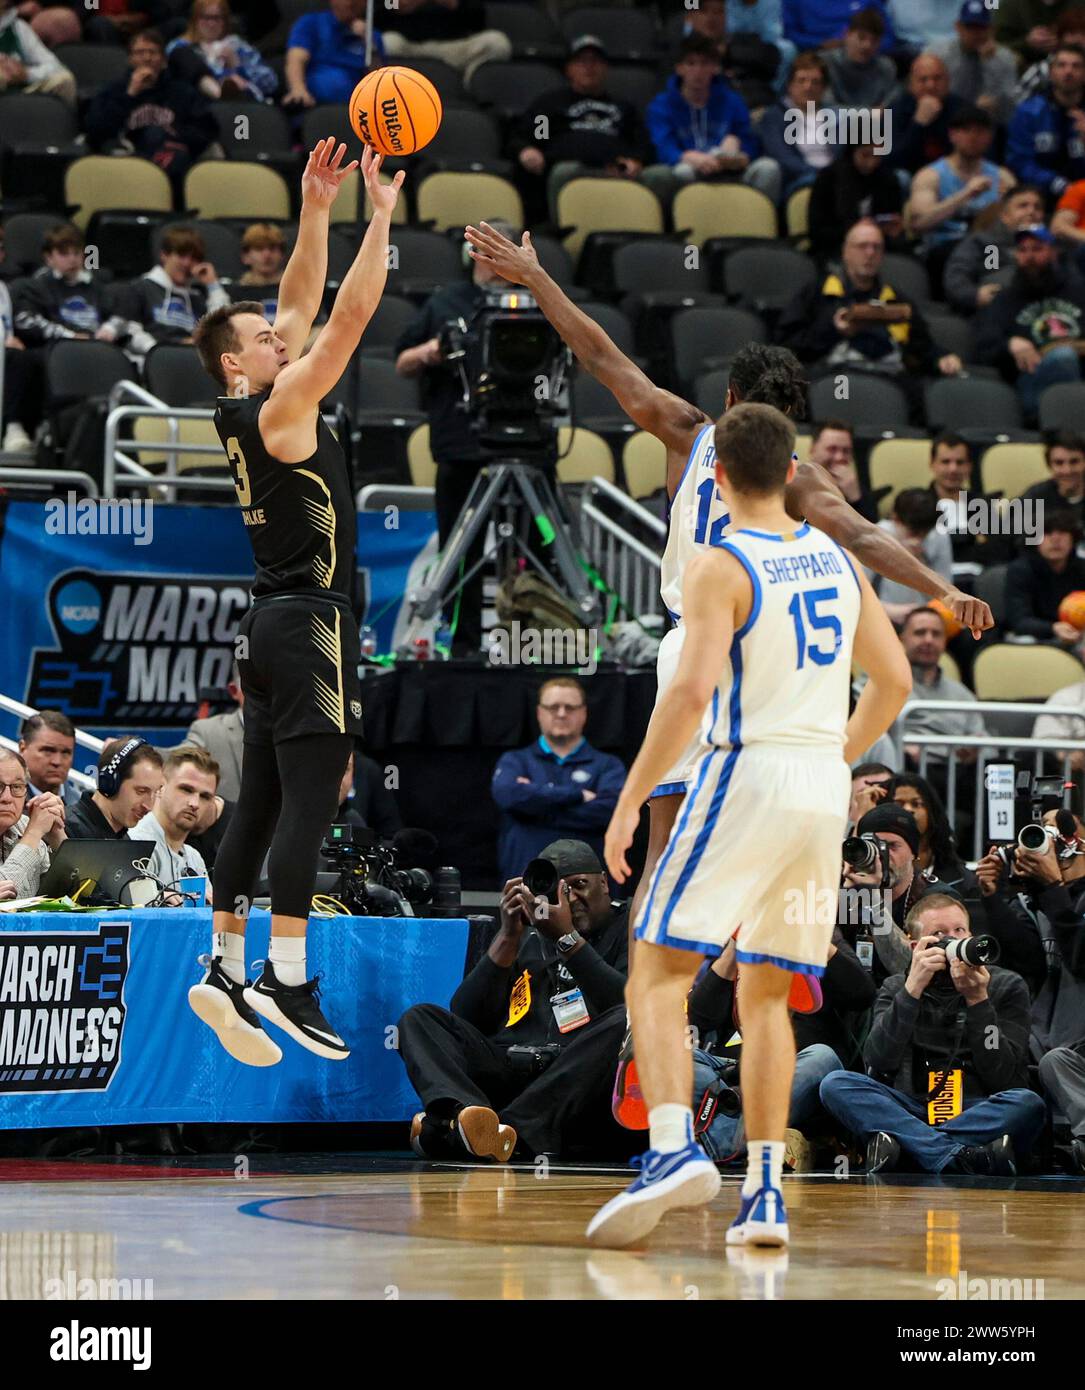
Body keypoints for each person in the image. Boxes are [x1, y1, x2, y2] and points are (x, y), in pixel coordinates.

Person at [463, 217, 991, 1005]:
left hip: (693, 649)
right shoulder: (800, 476)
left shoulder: (687, 428)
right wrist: (939, 589)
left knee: (665, 848)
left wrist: (535, 278)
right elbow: (861, 536)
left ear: (732, 398)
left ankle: (647, 1018)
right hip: (768, 666)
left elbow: (600, 355)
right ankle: (764, 973)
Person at [582, 401, 910, 1249]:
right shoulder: (837, 561)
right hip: (819, 788)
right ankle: (762, 1196)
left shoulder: (717, 563)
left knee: (652, 970)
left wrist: (630, 798)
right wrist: (833, 755)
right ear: (792, 470)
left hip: (748, 769)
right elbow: (895, 682)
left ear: (717, 475)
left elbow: (689, 696)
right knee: (766, 993)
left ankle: (669, 1151)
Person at [190, 141, 403, 1066]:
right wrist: (382, 218)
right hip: (312, 623)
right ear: (239, 367)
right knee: (311, 803)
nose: (282, 338)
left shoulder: (249, 405)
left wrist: (316, 207)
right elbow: (347, 319)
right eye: (265, 341)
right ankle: (286, 974)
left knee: (260, 804)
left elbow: (301, 307)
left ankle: (223, 966)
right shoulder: (282, 409)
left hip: (266, 629)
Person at [399, 840, 632, 1162]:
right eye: (556, 892)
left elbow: (628, 1004)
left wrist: (566, 939)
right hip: (514, 1067)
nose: (569, 899)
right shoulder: (527, 933)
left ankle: (505, 1130)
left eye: (578, 885)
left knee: (628, 1019)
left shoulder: (631, 922)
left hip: (578, 1082)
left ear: (604, 883)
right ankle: (467, 1117)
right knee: (421, 1018)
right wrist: (508, 937)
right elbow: (467, 1016)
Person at [820, 894, 1046, 1175]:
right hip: (911, 1106)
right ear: (916, 946)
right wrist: (912, 989)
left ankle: (912, 1148)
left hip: (977, 1108)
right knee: (835, 1084)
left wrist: (978, 1002)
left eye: (959, 931)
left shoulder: (1005, 985)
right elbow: (878, 1061)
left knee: (1028, 1103)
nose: (953, 941)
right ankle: (964, 1154)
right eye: (939, 935)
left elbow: (1005, 1078)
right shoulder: (896, 987)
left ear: (971, 935)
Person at [394, 217, 523, 655]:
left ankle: (532, 640)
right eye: (492, 247)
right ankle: (464, 645)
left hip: (523, 441)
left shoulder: (533, 300)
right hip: (461, 441)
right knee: (459, 547)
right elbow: (402, 360)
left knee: (530, 543)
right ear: (474, 252)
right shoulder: (445, 302)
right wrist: (434, 350)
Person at [687, 934, 872, 1169]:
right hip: (738, 1076)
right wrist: (734, 948)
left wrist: (809, 936)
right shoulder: (740, 943)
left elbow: (862, 994)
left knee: (822, 1057)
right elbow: (700, 1017)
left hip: (801, 1073)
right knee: (679, 1057)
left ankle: (722, 1139)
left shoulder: (823, 934)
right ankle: (741, 1132)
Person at [775, 219, 964, 412]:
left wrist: (941, 357)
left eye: (876, 247)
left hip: (891, 378)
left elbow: (922, 346)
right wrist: (835, 331)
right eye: (862, 246)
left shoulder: (896, 300)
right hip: (837, 376)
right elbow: (789, 346)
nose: (870, 253)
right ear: (846, 252)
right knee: (832, 393)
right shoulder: (816, 293)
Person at [491, 677, 626, 886]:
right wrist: (577, 795)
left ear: (584, 713)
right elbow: (508, 795)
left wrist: (533, 808)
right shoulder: (515, 761)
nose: (561, 713)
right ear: (539, 712)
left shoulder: (608, 766)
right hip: (525, 887)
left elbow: (610, 812)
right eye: (553, 707)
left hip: (588, 892)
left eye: (570, 707)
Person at [508, 37, 655, 224]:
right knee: (564, 171)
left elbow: (642, 143)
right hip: (572, 170)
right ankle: (560, 231)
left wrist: (636, 161)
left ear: (606, 68)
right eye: (582, 61)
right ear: (569, 69)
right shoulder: (550, 105)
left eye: (596, 61)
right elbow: (527, 138)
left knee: (660, 177)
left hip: (618, 171)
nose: (589, 67)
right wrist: (527, 150)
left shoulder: (623, 107)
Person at [643, 34, 782, 208]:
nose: (698, 71)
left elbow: (750, 140)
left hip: (729, 168)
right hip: (691, 167)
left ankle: (761, 227)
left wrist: (741, 153)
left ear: (715, 68)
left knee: (768, 168)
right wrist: (688, 157)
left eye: (705, 63)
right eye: (691, 63)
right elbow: (664, 147)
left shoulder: (732, 100)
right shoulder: (661, 105)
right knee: (682, 172)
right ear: (679, 68)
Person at [971, 224, 1085, 424]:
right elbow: (983, 347)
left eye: (1037, 249)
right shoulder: (1005, 299)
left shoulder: (1078, 290)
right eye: (1023, 250)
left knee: (1066, 355)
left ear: (1053, 253)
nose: (1029, 257)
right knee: (1062, 357)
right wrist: (1009, 344)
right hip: (1032, 382)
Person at [84, 29, 218, 192]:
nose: (147, 58)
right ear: (130, 59)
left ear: (163, 61)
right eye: (140, 53)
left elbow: (206, 131)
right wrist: (130, 95)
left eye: (152, 53)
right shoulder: (113, 91)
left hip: (173, 159)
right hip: (128, 159)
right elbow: (96, 130)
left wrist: (172, 136)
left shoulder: (183, 92)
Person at [907, 105, 1016, 296]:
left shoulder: (1002, 177)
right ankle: (962, 302)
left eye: (980, 131)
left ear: (989, 137)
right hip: (945, 246)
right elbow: (919, 223)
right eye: (966, 131)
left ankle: (990, 297)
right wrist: (965, 194)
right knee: (959, 256)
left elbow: (1019, 223)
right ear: (952, 135)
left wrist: (1003, 204)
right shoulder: (931, 175)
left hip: (988, 248)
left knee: (998, 257)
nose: (973, 137)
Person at [892, 606, 988, 766]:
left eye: (936, 634)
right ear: (902, 639)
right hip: (906, 769)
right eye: (920, 633)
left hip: (954, 773)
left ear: (944, 642)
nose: (928, 640)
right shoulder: (882, 685)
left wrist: (974, 751)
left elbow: (984, 742)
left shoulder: (963, 695)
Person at [12, 223, 129, 350]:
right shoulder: (36, 286)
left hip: (97, 347)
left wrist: (110, 328)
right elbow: (25, 322)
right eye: (64, 254)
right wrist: (70, 336)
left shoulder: (96, 283)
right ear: (49, 258)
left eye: (77, 253)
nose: (72, 259)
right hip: (59, 352)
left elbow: (121, 313)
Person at [123, 226, 230, 361]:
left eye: (194, 258)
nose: (187, 263)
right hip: (154, 359)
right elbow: (131, 331)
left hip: (192, 360)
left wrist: (212, 284)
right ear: (164, 255)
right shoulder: (141, 288)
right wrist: (161, 351)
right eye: (181, 255)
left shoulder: (196, 296)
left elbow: (220, 326)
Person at [131, 744, 217, 905]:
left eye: (205, 796)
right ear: (161, 787)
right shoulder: (135, 842)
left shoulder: (194, 858)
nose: (195, 803)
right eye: (186, 789)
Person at [943, 183, 1047, 316]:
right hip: (995, 312)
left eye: (1037, 207)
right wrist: (975, 295)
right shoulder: (985, 243)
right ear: (1005, 215)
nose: (1031, 211)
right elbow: (956, 277)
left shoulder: (1053, 247)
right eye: (1023, 206)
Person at [1006, 42, 1085, 200]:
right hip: (1039, 197)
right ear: (1050, 72)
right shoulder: (1028, 112)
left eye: (1076, 66)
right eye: (1061, 65)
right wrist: (1058, 184)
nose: (1068, 71)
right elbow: (1020, 162)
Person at [758, 52, 838, 203]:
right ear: (790, 85)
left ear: (824, 88)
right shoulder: (774, 116)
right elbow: (782, 157)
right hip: (800, 179)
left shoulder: (835, 115)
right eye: (801, 81)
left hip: (836, 177)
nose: (808, 87)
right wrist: (822, 175)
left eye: (815, 82)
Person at [927, 431, 1014, 567]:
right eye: (945, 462)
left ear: (969, 467)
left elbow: (998, 552)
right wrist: (971, 540)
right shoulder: (918, 505)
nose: (953, 469)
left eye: (960, 462)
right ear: (932, 464)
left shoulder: (982, 505)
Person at [808, 142, 906, 262]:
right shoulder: (829, 178)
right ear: (852, 151)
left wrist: (894, 229)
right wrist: (856, 229)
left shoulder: (888, 179)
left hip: (881, 250)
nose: (871, 162)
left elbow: (893, 219)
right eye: (865, 155)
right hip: (836, 250)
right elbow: (817, 232)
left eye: (877, 156)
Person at [165, 0, 277, 103]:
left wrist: (238, 66)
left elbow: (270, 84)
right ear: (194, 20)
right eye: (205, 18)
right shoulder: (178, 46)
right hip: (201, 103)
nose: (211, 24)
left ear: (225, 21)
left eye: (217, 18)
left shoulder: (237, 45)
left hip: (247, 104)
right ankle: (221, 95)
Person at [870, 489, 955, 623]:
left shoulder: (939, 536)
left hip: (928, 614)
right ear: (895, 519)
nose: (919, 539)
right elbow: (858, 593)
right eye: (913, 532)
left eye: (924, 533)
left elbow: (947, 594)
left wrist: (919, 561)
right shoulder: (877, 535)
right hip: (885, 614)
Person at [378, 0, 510, 84]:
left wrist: (455, 3)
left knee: (496, 43)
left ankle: (470, 90)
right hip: (408, 46)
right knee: (386, 42)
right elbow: (382, 6)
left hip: (456, 47)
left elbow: (478, 17)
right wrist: (398, 3)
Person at [284, 0, 384, 109]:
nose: (350, 3)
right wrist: (298, 89)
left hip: (357, 107)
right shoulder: (311, 23)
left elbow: (379, 80)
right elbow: (296, 60)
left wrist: (370, 43)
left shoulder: (373, 36)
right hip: (315, 104)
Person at [933, 0, 1018, 127]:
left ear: (992, 29)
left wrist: (989, 63)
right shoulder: (939, 55)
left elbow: (1008, 107)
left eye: (981, 27)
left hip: (989, 126)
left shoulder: (1005, 59)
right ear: (958, 27)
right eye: (970, 27)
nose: (975, 33)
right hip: (947, 120)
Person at [1005, 508, 1085, 642]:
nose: (1055, 539)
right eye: (1047, 533)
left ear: (1073, 539)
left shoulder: (1082, 568)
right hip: (1036, 635)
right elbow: (1019, 621)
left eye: (1062, 532)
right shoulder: (1020, 570)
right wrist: (1053, 628)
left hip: (1078, 633)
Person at [64, 737, 164, 839]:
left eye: (156, 792)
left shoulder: (126, 841)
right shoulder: (64, 831)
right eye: (141, 791)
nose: (149, 807)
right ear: (108, 783)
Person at [886, 53, 968, 176]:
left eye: (937, 78)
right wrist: (918, 123)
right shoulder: (895, 109)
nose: (931, 85)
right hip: (910, 175)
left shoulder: (963, 110)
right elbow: (890, 160)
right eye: (923, 80)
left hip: (954, 175)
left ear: (948, 81)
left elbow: (973, 153)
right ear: (910, 85)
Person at [0, 749, 66, 901]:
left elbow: (81, 892)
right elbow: (6, 896)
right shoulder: (32, 832)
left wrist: (59, 838)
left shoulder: (24, 827)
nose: (7, 798)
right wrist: (33, 834)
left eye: (16, 786)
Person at [184, 663, 244, 801]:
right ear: (234, 690)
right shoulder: (208, 733)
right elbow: (172, 761)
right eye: (255, 686)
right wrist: (133, 750)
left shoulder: (299, 736)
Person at [822, 5, 899, 109]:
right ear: (847, 34)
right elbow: (826, 107)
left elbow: (891, 105)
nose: (867, 45)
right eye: (861, 37)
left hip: (876, 124)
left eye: (874, 41)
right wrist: (870, 113)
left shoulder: (886, 67)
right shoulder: (826, 62)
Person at [0, 0, 75, 104]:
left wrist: (26, 74)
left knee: (64, 80)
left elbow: (55, 66)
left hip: (20, 94)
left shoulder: (18, 27)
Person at [808, 419, 879, 522]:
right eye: (832, 449)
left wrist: (856, 499)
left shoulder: (856, 488)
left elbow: (871, 529)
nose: (839, 457)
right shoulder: (794, 483)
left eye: (846, 451)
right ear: (812, 449)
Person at [1017, 5, 1085, 101]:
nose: (1078, 39)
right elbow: (1018, 103)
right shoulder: (1041, 70)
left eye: (1083, 34)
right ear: (1061, 37)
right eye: (1072, 33)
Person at [1022, 429, 1085, 531]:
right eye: (1059, 463)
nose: (1067, 470)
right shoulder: (1035, 497)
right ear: (1049, 466)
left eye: (1074, 462)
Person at [334, 750, 402, 838]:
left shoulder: (354, 820)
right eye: (330, 769)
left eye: (346, 769)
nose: (338, 779)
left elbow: (391, 834)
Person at [782, 0, 894, 53]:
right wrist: (819, 43)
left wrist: (867, 45)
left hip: (866, 57)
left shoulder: (870, 2)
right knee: (809, 83)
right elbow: (789, 33)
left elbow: (888, 37)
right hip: (817, 55)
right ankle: (810, 101)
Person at [19, 709, 80, 806]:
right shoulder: (6, 803)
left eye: (66, 753)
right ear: (23, 748)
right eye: (48, 750)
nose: (57, 762)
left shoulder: (83, 807)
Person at [996, 0, 1079, 67]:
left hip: (1075, 69)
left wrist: (1070, 42)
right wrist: (1026, 43)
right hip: (1022, 71)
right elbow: (995, 49)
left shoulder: (1079, 4)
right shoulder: (1011, 5)